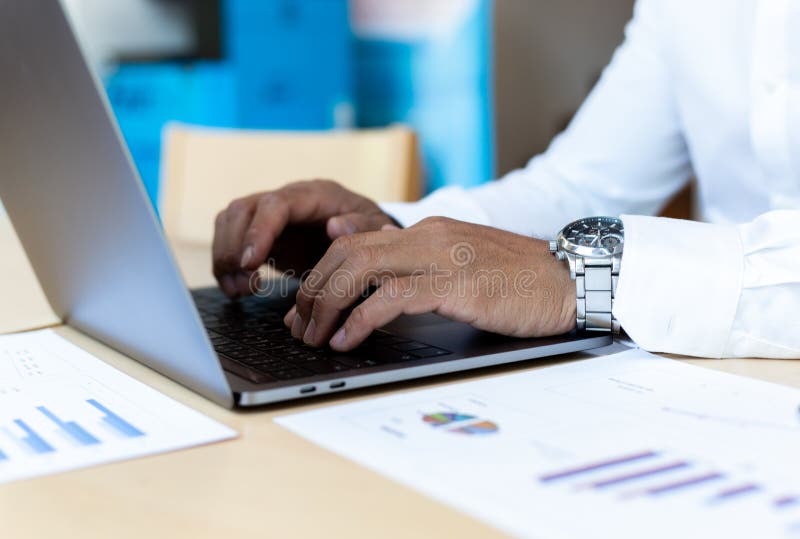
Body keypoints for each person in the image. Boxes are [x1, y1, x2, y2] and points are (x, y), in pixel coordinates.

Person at [211, 0, 800, 359]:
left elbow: (574, 268)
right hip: (720, 385)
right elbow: (582, 185)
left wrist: (580, 279)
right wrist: (387, 236)